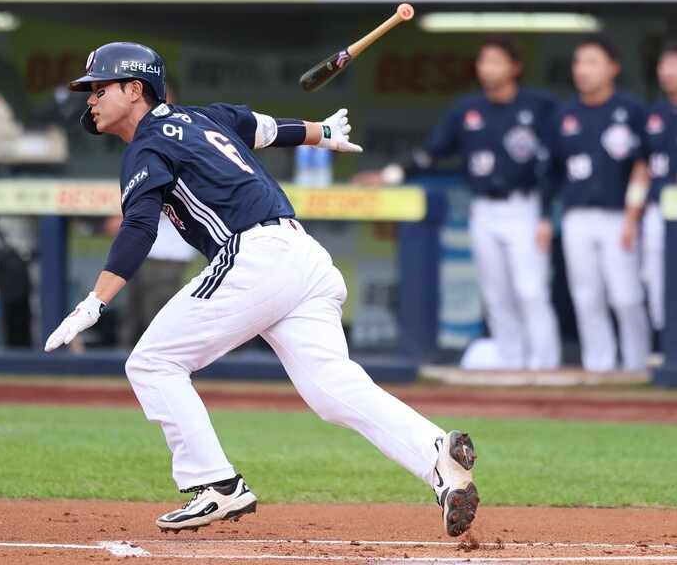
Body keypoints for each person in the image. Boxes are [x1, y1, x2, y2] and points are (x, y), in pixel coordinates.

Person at [43, 42, 479, 537]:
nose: (91, 99)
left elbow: (139, 227)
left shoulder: (148, 145)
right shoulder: (205, 117)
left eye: (100, 88)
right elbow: (267, 128)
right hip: (303, 255)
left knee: (152, 362)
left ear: (135, 89)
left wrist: (95, 301)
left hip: (255, 256)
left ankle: (216, 484)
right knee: (333, 389)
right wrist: (321, 133)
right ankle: (436, 455)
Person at [354, 34, 561, 371]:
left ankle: (545, 365)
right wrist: (391, 175)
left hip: (525, 206)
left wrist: (546, 215)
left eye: (496, 61)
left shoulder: (539, 106)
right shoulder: (467, 109)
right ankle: (510, 361)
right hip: (484, 209)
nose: (488, 68)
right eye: (483, 61)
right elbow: (431, 151)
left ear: (515, 67)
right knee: (495, 293)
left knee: (531, 291)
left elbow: (555, 163)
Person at [543, 34, 650, 372]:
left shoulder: (631, 110)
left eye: (592, 62)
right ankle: (598, 367)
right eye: (578, 62)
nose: (582, 70)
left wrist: (633, 216)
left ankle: (636, 366)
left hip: (620, 215)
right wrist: (545, 217)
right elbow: (551, 172)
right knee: (586, 295)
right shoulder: (564, 115)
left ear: (613, 67)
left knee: (626, 296)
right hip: (577, 214)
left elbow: (644, 164)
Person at [102, 81, 200, 348]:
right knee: (130, 325)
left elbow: (176, 190)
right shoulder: (142, 137)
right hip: (141, 249)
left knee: (158, 329)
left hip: (169, 251)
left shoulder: (181, 133)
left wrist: (128, 219)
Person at [641, 39, 677, 341]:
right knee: (655, 278)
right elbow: (641, 166)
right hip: (661, 207)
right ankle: (667, 345)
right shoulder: (655, 114)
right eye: (663, 64)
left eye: (675, 64)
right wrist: (631, 215)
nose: (667, 71)